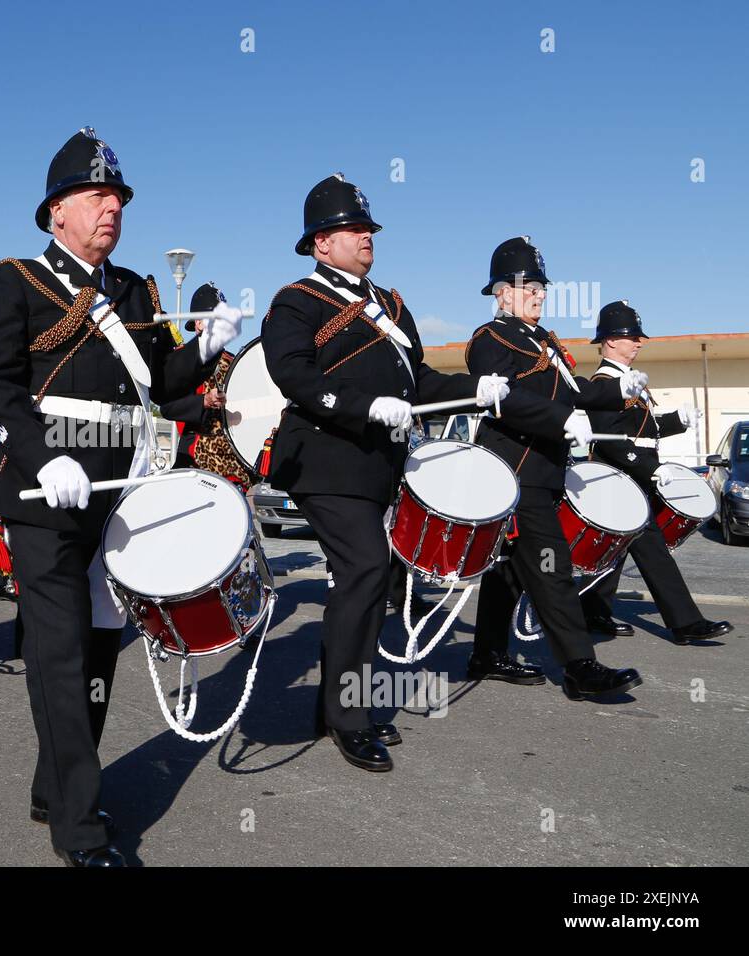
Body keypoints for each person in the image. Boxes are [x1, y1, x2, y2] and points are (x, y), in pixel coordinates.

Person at [0, 127, 240, 866]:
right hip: (44, 486)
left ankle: (53, 785)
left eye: (117, 197)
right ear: (57, 209)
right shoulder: (15, 281)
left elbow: (164, 384)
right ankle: (79, 826)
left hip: (117, 489)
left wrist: (209, 346)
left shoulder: (133, 291)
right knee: (57, 652)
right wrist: (42, 453)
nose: (111, 208)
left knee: (96, 650)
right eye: (96, 196)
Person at [261, 174, 507, 773]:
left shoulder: (391, 306)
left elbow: (417, 381)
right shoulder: (296, 300)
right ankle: (348, 716)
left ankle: (337, 704)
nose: (365, 236)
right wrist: (362, 405)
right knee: (367, 567)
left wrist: (473, 388)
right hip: (322, 457)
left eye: (367, 228)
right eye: (352, 228)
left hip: (376, 465)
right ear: (321, 243)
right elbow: (292, 375)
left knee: (369, 580)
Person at [465, 237, 647, 700]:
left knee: (508, 568)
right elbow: (505, 398)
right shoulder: (490, 340)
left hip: (544, 469)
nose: (539, 294)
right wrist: (560, 418)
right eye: (528, 285)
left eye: (542, 286)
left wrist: (621, 389)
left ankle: (486, 653)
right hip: (513, 468)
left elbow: (578, 391)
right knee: (553, 567)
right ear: (501, 292)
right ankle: (579, 666)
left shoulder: (544, 340)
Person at [579, 301, 733, 643]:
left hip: (632, 477)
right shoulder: (604, 382)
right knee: (650, 551)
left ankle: (593, 612)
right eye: (630, 336)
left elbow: (643, 429)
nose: (638, 342)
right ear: (609, 341)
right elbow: (613, 441)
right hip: (619, 478)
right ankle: (685, 623)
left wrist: (677, 421)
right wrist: (650, 469)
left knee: (615, 550)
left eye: (637, 337)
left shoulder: (630, 382)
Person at [160, 282, 252, 486]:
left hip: (236, 469)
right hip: (195, 465)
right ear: (198, 323)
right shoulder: (181, 361)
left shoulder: (236, 362)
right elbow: (167, 408)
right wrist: (204, 401)